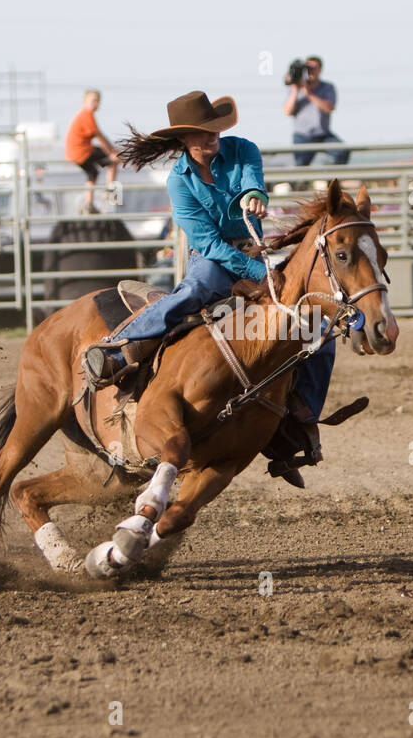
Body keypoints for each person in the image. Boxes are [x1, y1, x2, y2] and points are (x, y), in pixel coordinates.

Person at [82, 90, 336, 486]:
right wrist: (256, 271)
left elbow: (253, 179)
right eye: (200, 133)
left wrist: (255, 195)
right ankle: (119, 349)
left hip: (253, 251)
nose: (209, 138)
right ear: (183, 139)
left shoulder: (242, 150)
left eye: (213, 130)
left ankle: (301, 415)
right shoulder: (179, 184)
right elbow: (212, 245)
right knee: (193, 292)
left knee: (313, 327)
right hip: (216, 259)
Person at [284, 56, 350, 167]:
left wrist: (309, 94)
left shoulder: (327, 87)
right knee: (300, 165)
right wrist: (296, 88)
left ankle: (331, 181)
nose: (311, 71)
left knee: (342, 152)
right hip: (302, 135)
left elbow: (328, 108)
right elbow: (287, 111)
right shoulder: (295, 88)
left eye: (314, 68)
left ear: (320, 70)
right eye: (308, 68)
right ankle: (300, 184)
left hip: (323, 134)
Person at [65, 89, 119, 214]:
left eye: (97, 101)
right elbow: (99, 136)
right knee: (115, 159)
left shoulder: (84, 115)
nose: (96, 104)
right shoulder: (86, 115)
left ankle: (89, 204)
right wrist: (111, 152)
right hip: (81, 151)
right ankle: (110, 190)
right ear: (85, 101)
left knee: (92, 173)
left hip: (74, 153)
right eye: (93, 101)